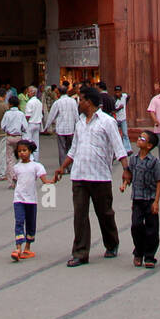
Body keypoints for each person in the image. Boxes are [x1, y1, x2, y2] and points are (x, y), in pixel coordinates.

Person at [53, 86, 131, 266]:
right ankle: (80, 252)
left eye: (81, 100)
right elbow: (74, 149)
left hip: (100, 175)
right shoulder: (79, 123)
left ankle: (112, 243)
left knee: (104, 213)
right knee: (80, 214)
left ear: (89, 102)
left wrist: (126, 169)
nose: (79, 103)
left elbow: (118, 146)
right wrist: (62, 167)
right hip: (79, 174)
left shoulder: (107, 122)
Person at [121, 129, 160, 267]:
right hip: (137, 199)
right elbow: (129, 175)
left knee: (152, 229)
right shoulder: (133, 160)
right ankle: (138, 251)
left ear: (149, 146)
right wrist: (125, 184)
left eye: (143, 139)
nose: (139, 139)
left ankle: (150, 256)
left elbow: (158, 181)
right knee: (136, 226)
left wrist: (156, 202)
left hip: (150, 199)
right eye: (139, 137)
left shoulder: (154, 162)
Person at [10, 139, 49, 261]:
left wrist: (51, 182)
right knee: (19, 221)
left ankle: (27, 247)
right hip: (19, 199)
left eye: (24, 150)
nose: (22, 153)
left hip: (31, 200)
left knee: (31, 223)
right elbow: (15, 180)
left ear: (30, 151)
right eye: (20, 151)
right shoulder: (16, 167)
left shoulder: (36, 166)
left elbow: (44, 180)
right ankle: (18, 248)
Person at [44, 83, 80, 168]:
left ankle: (63, 167)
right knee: (70, 148)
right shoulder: (72, 101)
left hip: (61, 129)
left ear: (58, 93)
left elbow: (51, 116)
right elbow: (76, 115)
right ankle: (70, 166)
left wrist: (46, 127)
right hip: (71, 128)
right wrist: (78, 126)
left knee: (62, 149)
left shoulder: (57, 103)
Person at [1, 99, 28, 186]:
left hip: (9, 137)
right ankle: (18, 177)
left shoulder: (7, 114)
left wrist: (7, 130)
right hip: (18, 137)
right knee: (20, 157)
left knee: (9, 159)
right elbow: (25, 127)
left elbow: (3, 126)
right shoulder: (21, 114)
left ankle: (11, 180)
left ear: (10, 104)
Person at [24, 85, 43, 158]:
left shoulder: (30, 102)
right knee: (36, 143)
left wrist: (24, 124)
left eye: (28, 92)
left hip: (30, 124)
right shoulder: (39, 102)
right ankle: (36, 159)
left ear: (32, 93)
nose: (27, 94)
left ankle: (30, 158)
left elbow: (28, 115)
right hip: (37, 123)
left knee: (28, 142)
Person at [113, 86, 131, 151]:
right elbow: (113, 110)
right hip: (116, 119)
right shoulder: (114, 100)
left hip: (123, 118)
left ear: (121, 92)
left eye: (119, 92)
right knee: (116, 135)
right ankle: (117, 149)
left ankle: (127, 149)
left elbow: (128, 96)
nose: (117, 93)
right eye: (116, 92)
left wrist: (126, 103)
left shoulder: (124, 96)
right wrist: (119, 108)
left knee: (125, 134)